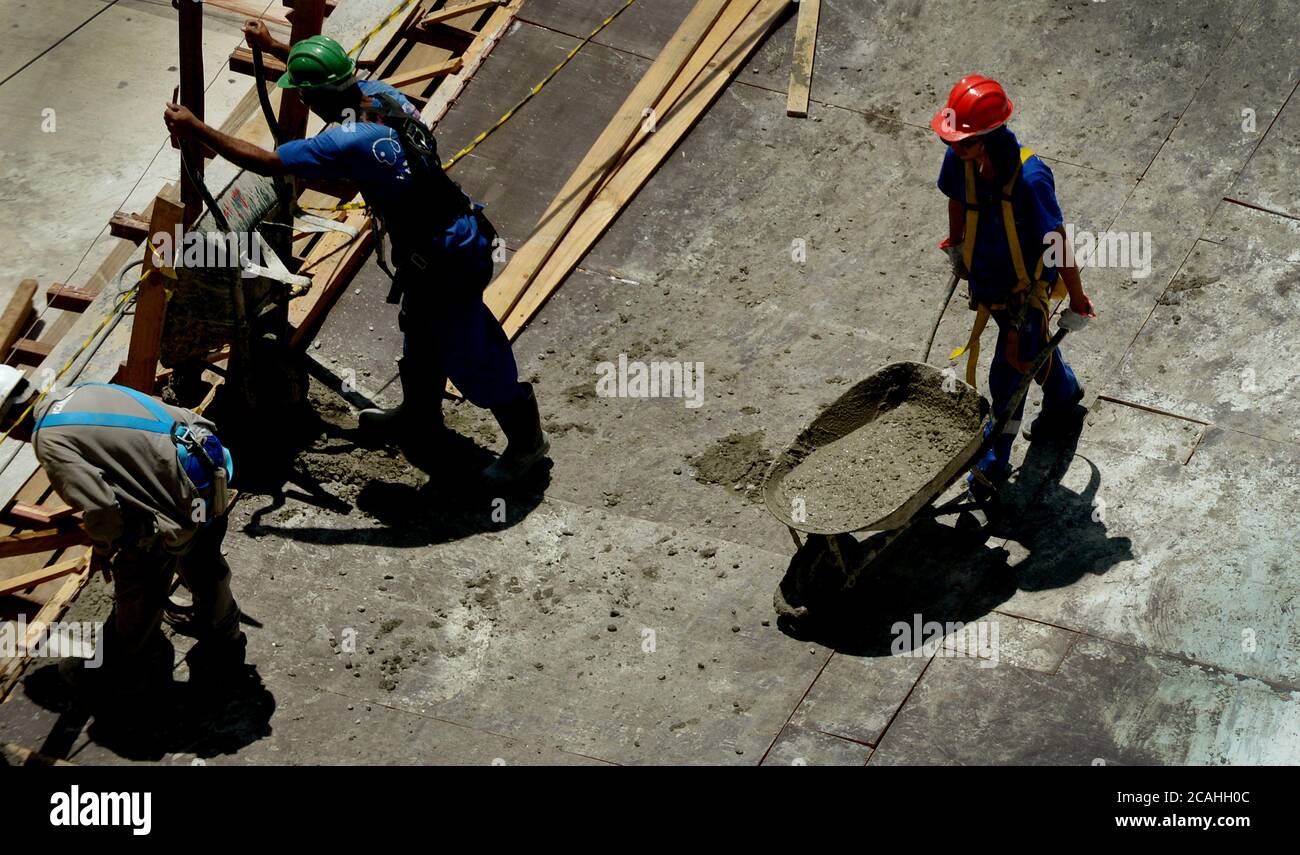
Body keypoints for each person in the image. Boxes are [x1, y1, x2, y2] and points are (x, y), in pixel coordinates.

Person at [162, 23, 549, 484]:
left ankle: (527, 444)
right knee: (422, 333)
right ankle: (418, 417)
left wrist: (196, 128)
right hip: (450, 237)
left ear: (309, 99)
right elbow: (331, 81)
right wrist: (273, 49)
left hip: (446, 254)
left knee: (470, 349)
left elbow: (268, 162)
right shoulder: (382, 94)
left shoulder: (344, 139)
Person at [0, 367, 244, 697]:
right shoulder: (81, 391)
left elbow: (101, 509)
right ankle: (226, 636)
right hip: (209, 476)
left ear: (6, 423)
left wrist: (105, 548)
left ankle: (121, 668)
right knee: (204, 564)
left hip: (180, 500)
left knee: (137, 578)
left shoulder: (49, 439)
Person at [931, 75, 1095, 496]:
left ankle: (994, 459)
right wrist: (957, 246)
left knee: (1009, 368)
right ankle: (1063, 392)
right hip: (987, 278)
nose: (955, 149)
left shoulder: (1030, 179)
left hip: (1024, 289)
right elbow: (955, 197)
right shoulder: (960, 159)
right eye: (952, 141)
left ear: (987, 137)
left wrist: (1077, 299)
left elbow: (1056, 239)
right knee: (1027, 348)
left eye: (964, 142)